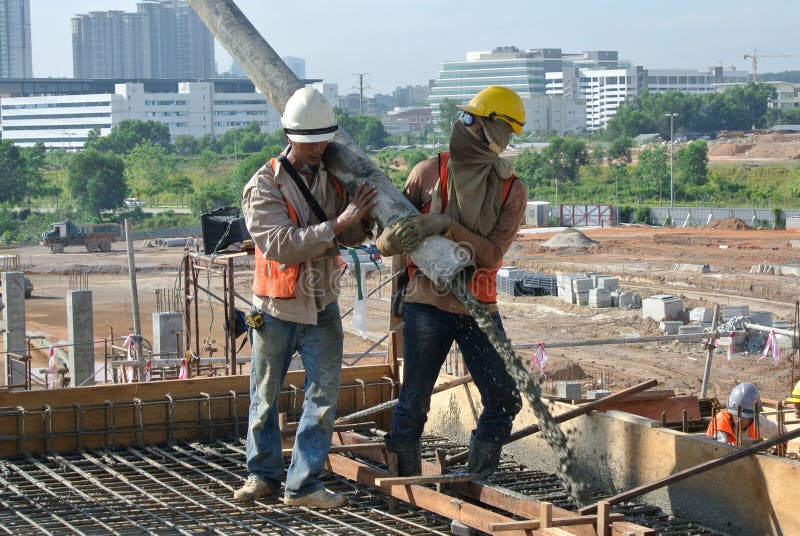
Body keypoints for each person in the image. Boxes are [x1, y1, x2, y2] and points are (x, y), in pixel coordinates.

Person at [235, 87, 376, 508]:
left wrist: (360, 219)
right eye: (309, 139)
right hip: (276, 306)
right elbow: (280, 243)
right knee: (265, 393)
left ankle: (303, 485)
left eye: (323, 139)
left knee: (322, 395)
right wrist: (339, 224)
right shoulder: (263, 185)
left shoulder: (331, 180)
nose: (317, 147)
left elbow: (348, 234)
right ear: (289, 135)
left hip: (321, 304)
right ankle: (261, 475)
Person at [376, 86, 527, 478]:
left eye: (472, 123)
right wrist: (390, 258)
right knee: (414, 400)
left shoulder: (511, 189)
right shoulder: (429, 173)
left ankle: (476, 479)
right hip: (426, 304)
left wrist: (446, 225)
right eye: (464, 120)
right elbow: (391, 233)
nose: (463, 128)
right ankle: (401, 482)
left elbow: (491, 254)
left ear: (493, 133)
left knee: (504, 397)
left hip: (479, 306)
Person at [706, 381, 784, 446]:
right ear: (731, 412)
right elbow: (719, 453)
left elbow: (782, 430)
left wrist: (778, 452)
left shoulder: (757, 422)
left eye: (748, 418)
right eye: (740, 417)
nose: (744, 422)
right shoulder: (721, 422)